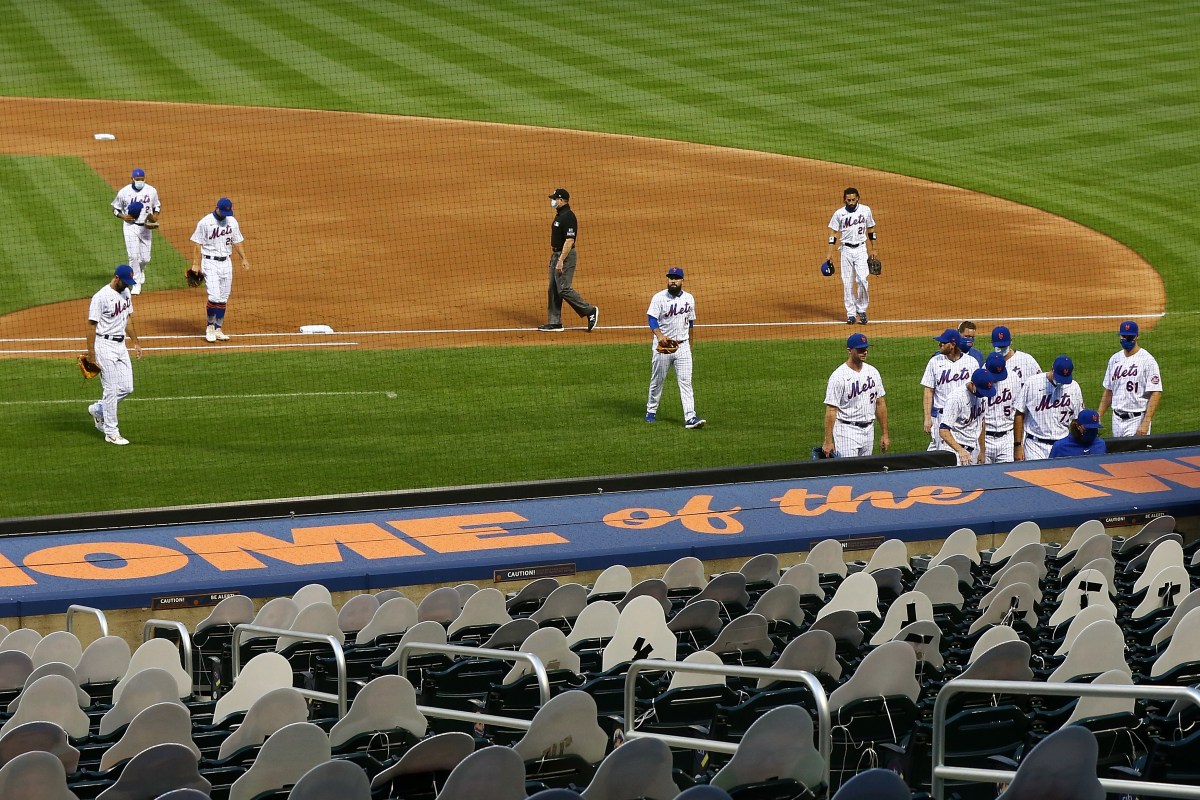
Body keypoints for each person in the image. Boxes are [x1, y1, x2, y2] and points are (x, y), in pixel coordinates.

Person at [85, 264, 143, 445]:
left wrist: (135, 342)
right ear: (116, 278)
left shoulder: (126, 293)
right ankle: (111, 432)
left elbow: (128, 320)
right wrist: (92, 356)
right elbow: (91, 327)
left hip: (121, 346)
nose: (127, 286)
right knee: (110, 390)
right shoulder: (100, 297)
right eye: (125, 282)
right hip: (104, 345)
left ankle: (98, 409)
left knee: (127, 388)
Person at [645, 267, 705, 429]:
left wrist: (690, 345)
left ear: (682, 280)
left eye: (676, 278)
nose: (672, 281)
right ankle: (651, 410)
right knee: (658, 380)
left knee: (686, 382)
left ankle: (690, 417)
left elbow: (691, 323)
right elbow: (651, 319)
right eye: (670, 278)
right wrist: (659, 336)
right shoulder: (659, 298)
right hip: (664, 346)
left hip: (683, 346)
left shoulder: (689, 298)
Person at [539, 188, 599, 333]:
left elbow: (570, 240)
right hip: (556, 255)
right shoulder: (560, 214)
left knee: (564, 288)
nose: (552, 201)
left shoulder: (568, 216)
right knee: (553, 289)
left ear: (561, 200)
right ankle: (555, 323)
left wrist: (561, 260)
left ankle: (589, 311)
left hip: (565, 256)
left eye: (554, 199)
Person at [190, 197, 249, 342]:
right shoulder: (205, 222)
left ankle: (218, 328)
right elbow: (197, 244)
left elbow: (237, 240)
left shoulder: (232, 221)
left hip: (226, 263)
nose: (225, 215)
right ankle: (209, 327)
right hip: (210, 263)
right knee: (214, 297)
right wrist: (196, 264)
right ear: (216, 207)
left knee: (223, 298)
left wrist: (243, 258)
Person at [822, 332, 889, 457]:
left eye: (865, 349)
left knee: (865, 471)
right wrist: (828, 441)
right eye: (860, 350)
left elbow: (880, 403)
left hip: (869, 430)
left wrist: (885, 434)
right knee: (849, 471)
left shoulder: (873, 372)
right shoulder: (838, 376)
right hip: (846, 431)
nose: (864, 352)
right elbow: (831, 409)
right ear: (849, 351)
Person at [1097, 320, 1162, 437]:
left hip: (1137, 420)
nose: (1126, 339)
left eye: (1130, 337)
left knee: (1136, 455)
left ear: (1137, 336)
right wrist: (1099, 415)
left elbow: (1156, 392)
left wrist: (1146, 422)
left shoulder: (1148, 360)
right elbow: (1109, 390)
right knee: (1119, 454)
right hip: (1116, 419)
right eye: (1124, 336)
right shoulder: (1114, 359)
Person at [1013, 355, 1084, 461]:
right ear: (1052, 369)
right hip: (1035, 446)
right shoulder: (1032, 383)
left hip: (1062, 444)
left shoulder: (1074, 387)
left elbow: (1077, 419)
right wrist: (1018, 445)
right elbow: (1019, 413)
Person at [824, 187, 877, 325]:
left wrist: (873, 248)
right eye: (848, 200)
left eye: (853, 199)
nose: (851, 202)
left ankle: (862, 309)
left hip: (861, 249)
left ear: (858, 198)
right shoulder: (839, 214)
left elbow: (871, 229)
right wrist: (829, 253)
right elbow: (833, 234)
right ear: (844, 200)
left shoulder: (866, 210)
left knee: (863, 280)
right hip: (846, 251)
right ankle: (851, 314)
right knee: (847, 283)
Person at [921, 329, 980, 450]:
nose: (939, 345)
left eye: (943, 343)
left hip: (964, 418)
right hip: (941, 416)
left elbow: (977, 390)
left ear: (952, 345)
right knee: (943, 454)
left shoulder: (971, 362)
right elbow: (928, 390)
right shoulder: (934, 362)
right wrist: (927, 418)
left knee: (964, 451)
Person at [110, 167, 161, 295]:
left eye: (142, 179)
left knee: (145, 259)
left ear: (145, 178)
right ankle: (136, 283)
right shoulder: (124, 192)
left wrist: (155, 217)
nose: (140, 181)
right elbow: (115, 209)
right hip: (130, 227)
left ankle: (141, 270)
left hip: (145, 228)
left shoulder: (151, 191)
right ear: (132, 179)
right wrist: (124, 217)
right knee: (133, 256)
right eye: (137, 179)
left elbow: (157, 206)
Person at [938, 368, 996, 465]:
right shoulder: (956, 398)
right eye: (982, 391)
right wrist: (960, 451)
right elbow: (943, 431)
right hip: (954, 451)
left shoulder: (983, 396)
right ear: (972, 384)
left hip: (973, 450)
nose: (983, 395)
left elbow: (981, 422)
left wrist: (982, 450)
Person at [980, 352, 1018, 463]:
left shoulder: (1014, 378)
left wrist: (1018, 444)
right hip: (985, 437)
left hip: (1007, 438)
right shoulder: (978, 380)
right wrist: (981, 449)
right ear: (986, 367)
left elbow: (1018, 410)